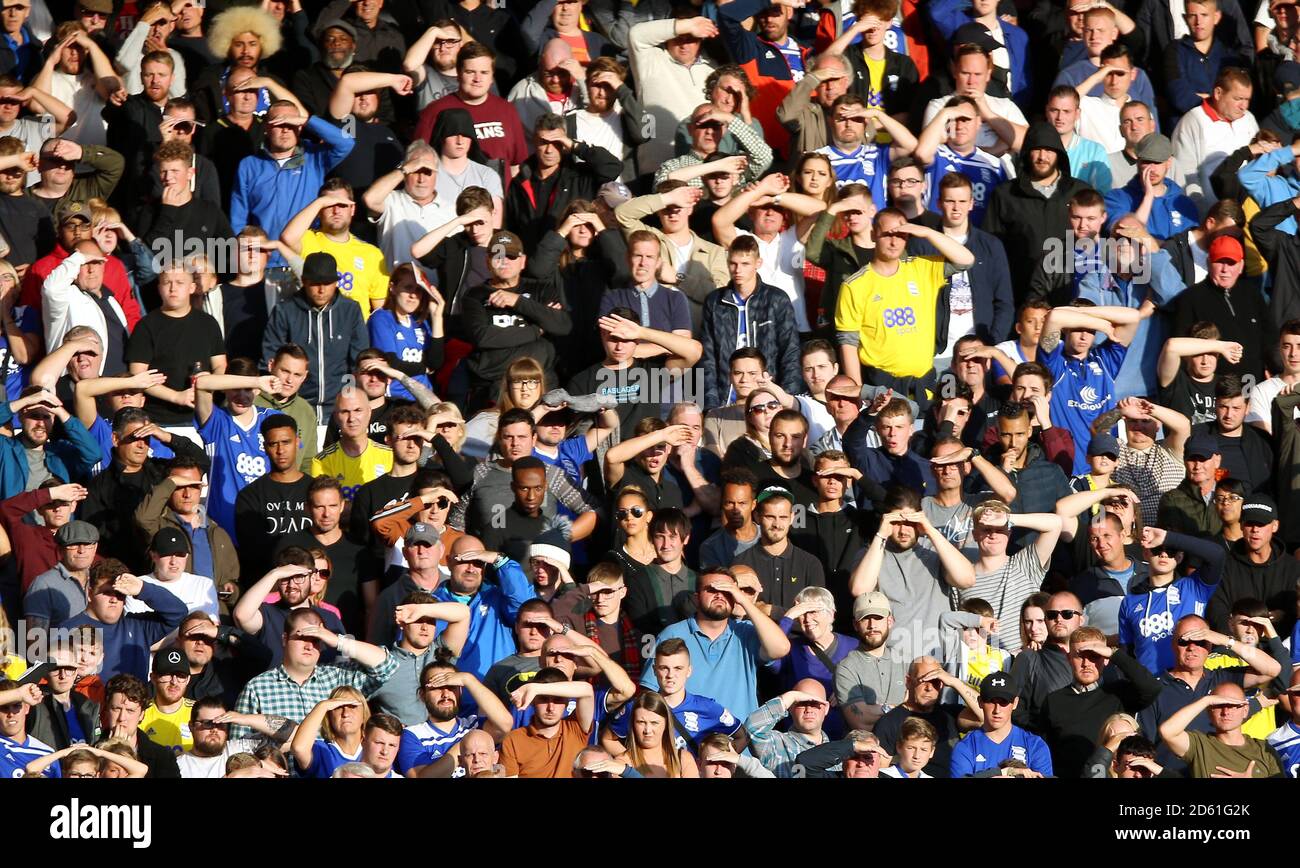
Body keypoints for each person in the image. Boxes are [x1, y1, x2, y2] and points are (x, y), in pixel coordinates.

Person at [641, 568, 791, 719]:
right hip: (688, 738)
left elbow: (781, 648)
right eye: (711, 590)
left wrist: (744, 601)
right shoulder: (672, 634)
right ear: (696, 598)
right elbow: (650, 692)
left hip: (738, 738)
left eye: (728, 591)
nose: (720, 595)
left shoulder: (746, 632)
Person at [261, 252, 369, 427]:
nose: (321, 289)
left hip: (339, 410)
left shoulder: (350, 310)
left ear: (336, 282)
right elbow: (270, 360)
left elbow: (359, 361)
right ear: (303, 281)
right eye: (315, 283)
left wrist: (349, 398)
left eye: (327, 283)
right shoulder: (284, 311)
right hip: (294, 407)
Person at [1040, 627, 1163, 777]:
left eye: (1094, 656)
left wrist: (1114, 654)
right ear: (1068, 658)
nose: (1086, 663)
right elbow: (1046, 753)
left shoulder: (1119, 693)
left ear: (1105, 659)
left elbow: (1152, 687)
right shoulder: (1054, 701)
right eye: (1080, 656)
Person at [873, 656, 984, 778]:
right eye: (923, 680)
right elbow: (879, 771)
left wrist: (955, 682)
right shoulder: (890, 722)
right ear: (908, 682)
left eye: (935, 681)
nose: (929, 688)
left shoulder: (949, 715)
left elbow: (984, 716)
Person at [1159, 682, 1283, 777]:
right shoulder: (1199, 745)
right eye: (1219, 705)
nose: (1226, 712)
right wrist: (1207, 700)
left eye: (1233, 705)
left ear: (1245, 711)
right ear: (1209, 710)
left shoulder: (1264, 749)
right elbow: (1167, 732)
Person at [949, 672, 1054, 777]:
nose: (997, 710)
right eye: (991, 701)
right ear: (980, 702)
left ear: (1015, 703)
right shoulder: (966, 747)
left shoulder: (1035, 745)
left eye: (1004, 702)